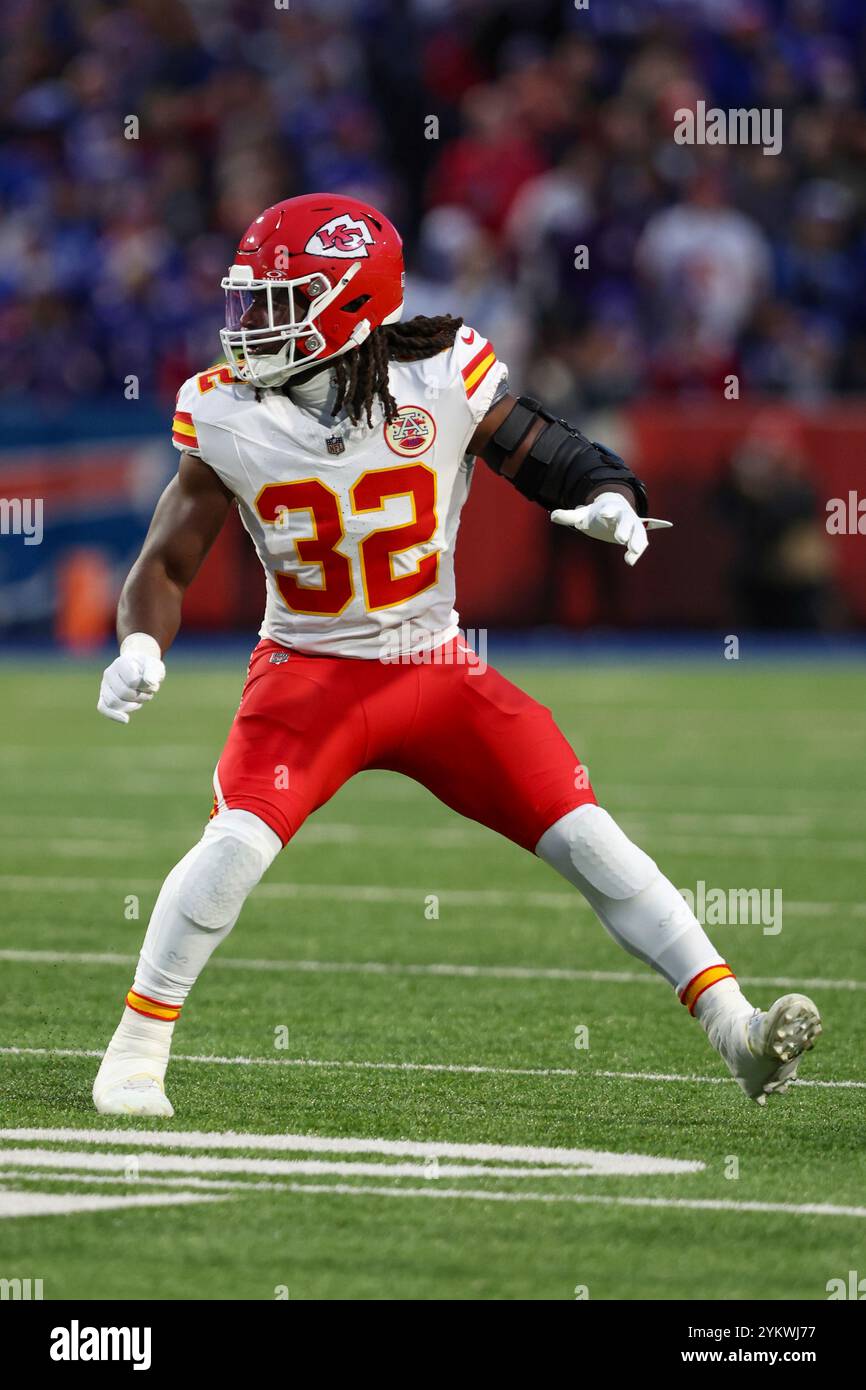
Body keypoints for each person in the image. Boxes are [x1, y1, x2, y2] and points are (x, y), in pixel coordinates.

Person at [93, 193, 820, 1117]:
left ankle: (738, 1032)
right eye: (253, 300)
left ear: (353, 304)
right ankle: (133, 1054)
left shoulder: (438, 371)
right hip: (308, 672)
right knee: (234, 845)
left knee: (588, 835)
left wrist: (609, 492)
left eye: (282, 300)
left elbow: (542, 449)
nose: (251, 325)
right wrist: (142, 642)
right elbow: (167, 556)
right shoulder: (228, 413)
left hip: (436, 667)